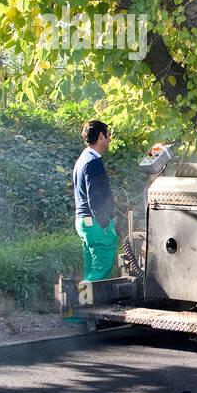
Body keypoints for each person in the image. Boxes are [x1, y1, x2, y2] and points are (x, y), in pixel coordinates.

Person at [73, 120, 117, 282]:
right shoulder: (93, 162)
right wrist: (105, 223)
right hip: (95, 222)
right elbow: (95, 198)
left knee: (91, 268)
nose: (109, 140)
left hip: (84, 221)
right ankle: (77, 296)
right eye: (108, 136)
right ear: (101, 136)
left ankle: (85, 296)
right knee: (101, 267)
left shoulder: (83, 158)